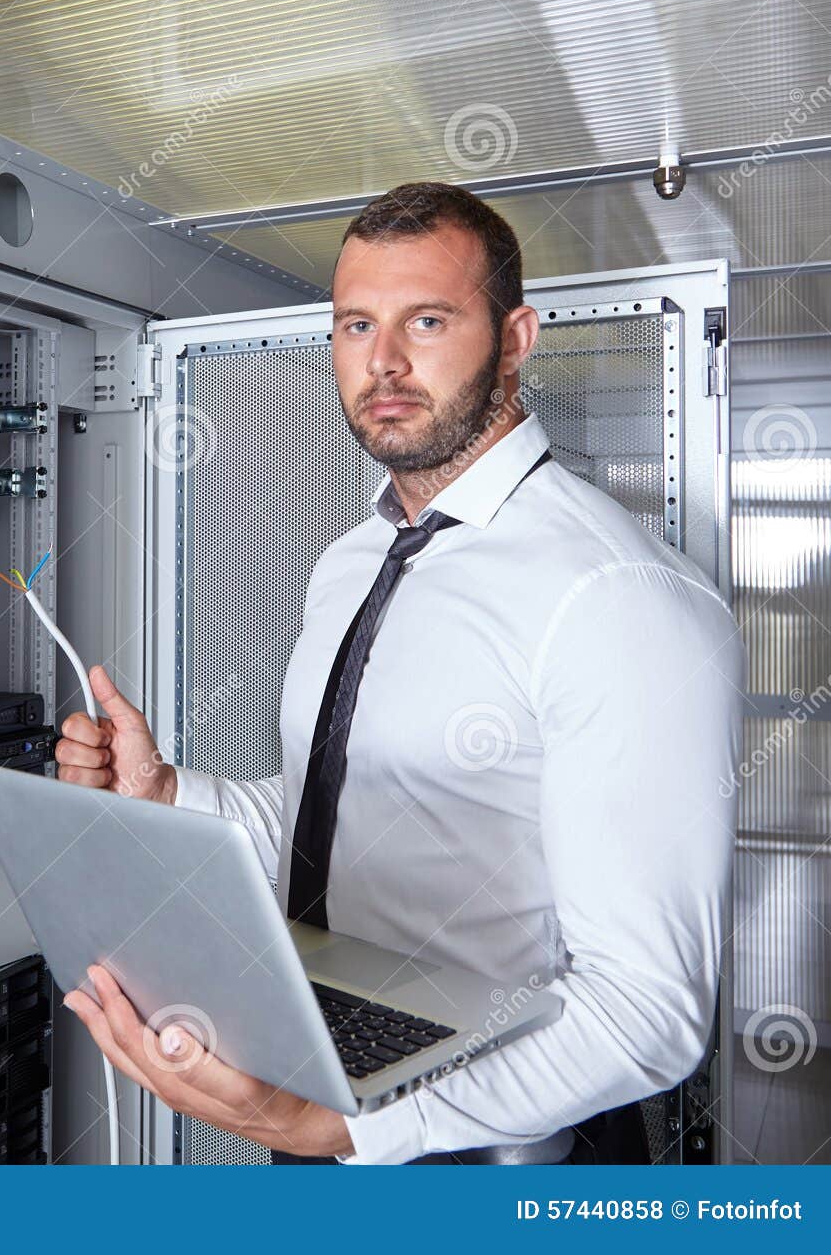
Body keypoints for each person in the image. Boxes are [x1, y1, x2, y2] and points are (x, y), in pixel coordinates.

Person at [56, 181, 744, 1165]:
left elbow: (646, 1012)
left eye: (426, 320)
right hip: (323, 1106)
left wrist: (346, 1127)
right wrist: (168, 792)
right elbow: (329, 823)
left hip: (503, 1160)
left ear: (515, 338)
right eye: (353, 325)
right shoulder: (349, 561)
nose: (382, 361)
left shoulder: (615, 595)